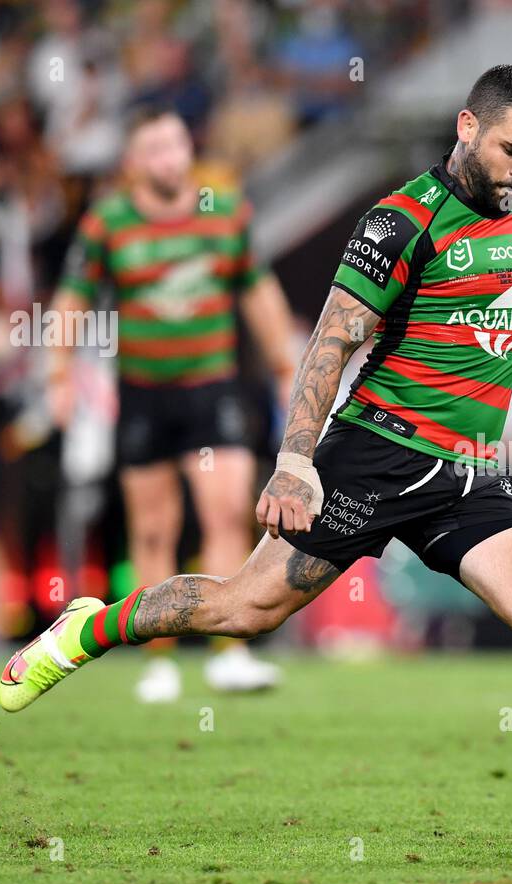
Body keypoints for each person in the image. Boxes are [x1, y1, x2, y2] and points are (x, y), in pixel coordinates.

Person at [0, 66, 512, 795]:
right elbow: (329, 344)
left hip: (466, 473)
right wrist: (294, 461)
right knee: (244, 608)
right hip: (375, 454)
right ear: (467, 127)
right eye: (510, 151)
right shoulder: (399, 222)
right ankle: (90, 628)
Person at [50, 105, 299, 701]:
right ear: (134, 162)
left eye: (176, 144)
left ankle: (227, 650)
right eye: (155, 148)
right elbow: (73, 299)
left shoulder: (225, 213)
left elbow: (257, 291)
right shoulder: (107, 223)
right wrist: (58, 373)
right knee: (153, 528)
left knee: (225, 511)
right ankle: (158, 659)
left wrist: (287, 364)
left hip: (212, 390)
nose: (169, 158)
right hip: (142, 394)